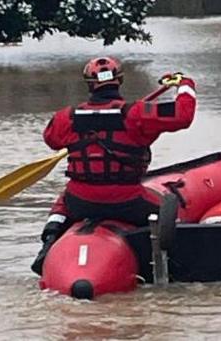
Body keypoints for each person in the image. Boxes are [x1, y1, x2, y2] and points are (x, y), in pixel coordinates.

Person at [31, 57, 196, 275]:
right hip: (128, 201)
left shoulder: (65, 118)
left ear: (89, 84)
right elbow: (183, 115)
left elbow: (51, 140)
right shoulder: (137, 114)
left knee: (64, 198)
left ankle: (49, 240)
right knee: (170, 210)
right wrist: (185, 84)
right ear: (120, 81)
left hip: (81, 202)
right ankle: (174, 261)